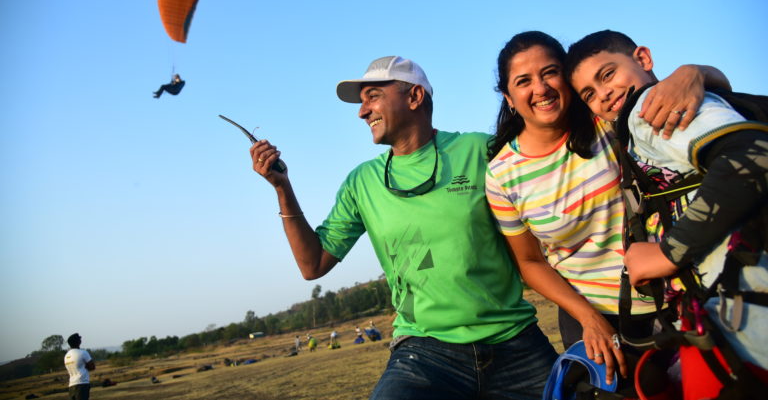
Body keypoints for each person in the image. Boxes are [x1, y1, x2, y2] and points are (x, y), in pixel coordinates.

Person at [250, 55, 558, 399]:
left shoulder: (479, 151)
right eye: (362, 101)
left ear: (414, 97)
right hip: (426, 352)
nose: (362, 112)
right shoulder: (362, 182)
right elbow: (313, 264)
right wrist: (282, 188)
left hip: (514, 342)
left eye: (373, 96)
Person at [484, 31, 727, 387]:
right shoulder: (502, 174)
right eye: (524, 81)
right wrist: (588, 319)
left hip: (677, 296)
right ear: (509, 96)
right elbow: (530, 262)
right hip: (595, 317)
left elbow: (706, 88)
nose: (540, 88)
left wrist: (692, 73)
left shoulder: (608, 120)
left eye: (550, 72)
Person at [566, 29, 768, 380]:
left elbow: (753, 156)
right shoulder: (647, 115)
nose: (604, 93)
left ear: (643, 59)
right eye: (589, 93)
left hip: (751, 317)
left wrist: (666, 254)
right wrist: (696, 71)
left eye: (608, 74)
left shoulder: (647, 113)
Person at [64, 333, 95, 400]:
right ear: (78, 342)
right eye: (79, 339)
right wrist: (86, 366)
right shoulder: (83, 353)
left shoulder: (66, 356)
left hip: (71, 385)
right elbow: (92, 367)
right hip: (82, 383)